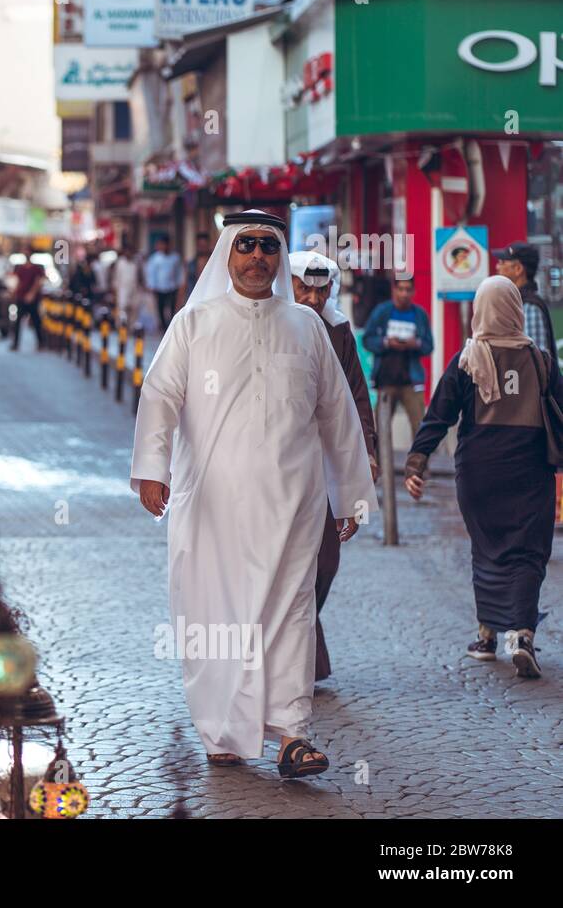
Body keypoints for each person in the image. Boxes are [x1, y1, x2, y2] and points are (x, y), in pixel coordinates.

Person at [131, 210, 375, 776]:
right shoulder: (195, 322)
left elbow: (337, 415)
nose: (258, 256)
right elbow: (161, 396)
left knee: (293, 613)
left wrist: (353, 495)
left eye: (269, 246)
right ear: (227, 255)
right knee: (219, 617)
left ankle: (293, 733)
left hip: (294, 501)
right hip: (212, 505)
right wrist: (152, 467)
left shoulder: (307, 327)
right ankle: (223, 730)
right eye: (247, 246)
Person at [405, 276, 560, 679]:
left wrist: (418, 460)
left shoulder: (467, 359)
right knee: (528, 551)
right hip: (530, 468)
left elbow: (439, 414)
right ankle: (522, 634)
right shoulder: (540, 359)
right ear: (515, 310)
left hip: (479, 471)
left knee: (487, 549)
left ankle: (487, 635)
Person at [290, 252, 379, 683]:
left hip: (327, 462)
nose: (310, 297)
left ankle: (297, 644)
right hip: (278, 464)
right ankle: (293, 659)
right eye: (302, 288)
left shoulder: (338, 329)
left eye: (320, 290)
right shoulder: (271, 324)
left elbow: (356, 393)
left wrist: (369, 451)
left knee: (324, 562)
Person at [362, 276, 434, 443]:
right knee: (381, 427)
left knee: (420, 427)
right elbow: (367, 339)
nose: (404, 294)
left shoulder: (419, 314)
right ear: (394, 290)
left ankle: (418, 468)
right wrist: (387, 342)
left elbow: (429, 345)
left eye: (408, 290)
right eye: (401, 289)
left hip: (412, 380)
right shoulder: (382, 312)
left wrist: (415, 344)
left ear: (413, 292)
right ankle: (379, 466)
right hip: (386, 379)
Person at [492, 241, 557, 365]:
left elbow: (536, 360)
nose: (497, 267)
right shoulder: (516, 302)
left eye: (502, 262)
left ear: (518, 269)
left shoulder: (529, 306)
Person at [144, 235, 185, 330]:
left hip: (172, 287)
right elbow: (151, 273)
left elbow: (179, 272)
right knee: (160, 308)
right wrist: (151, 286)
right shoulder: (155, 258)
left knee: (171, 308)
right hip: (159, 288)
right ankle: (163, 327)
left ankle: (171, 327)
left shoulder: (175, 258)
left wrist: (180, 285)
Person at [10, 256, 45, 351]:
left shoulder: (36, 269)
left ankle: (41, 343)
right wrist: (14, 293)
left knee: (36, 321)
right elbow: (18, 281)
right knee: (18, 322)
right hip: (21, 298)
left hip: (32, 299)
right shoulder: (21, 268)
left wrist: (31, 294)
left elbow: (38, 282)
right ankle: (15, 343)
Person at [110, 249, 141, 327]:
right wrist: (115, 290)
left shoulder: (135, 263)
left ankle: (132, 326)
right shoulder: (120, 263)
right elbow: (116, 277)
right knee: (122, 307)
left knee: (133, 308)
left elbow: (138, 276)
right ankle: (121, 326)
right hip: (122, 289)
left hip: (134, 289)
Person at [187, 231, 212, 297]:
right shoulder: (191, 264)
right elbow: (184, 284)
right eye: (200, 245)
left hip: (210, 298)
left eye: (204, 245)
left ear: (208, 245)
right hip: (194, 299)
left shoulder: (215, 264)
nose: (202, 248)